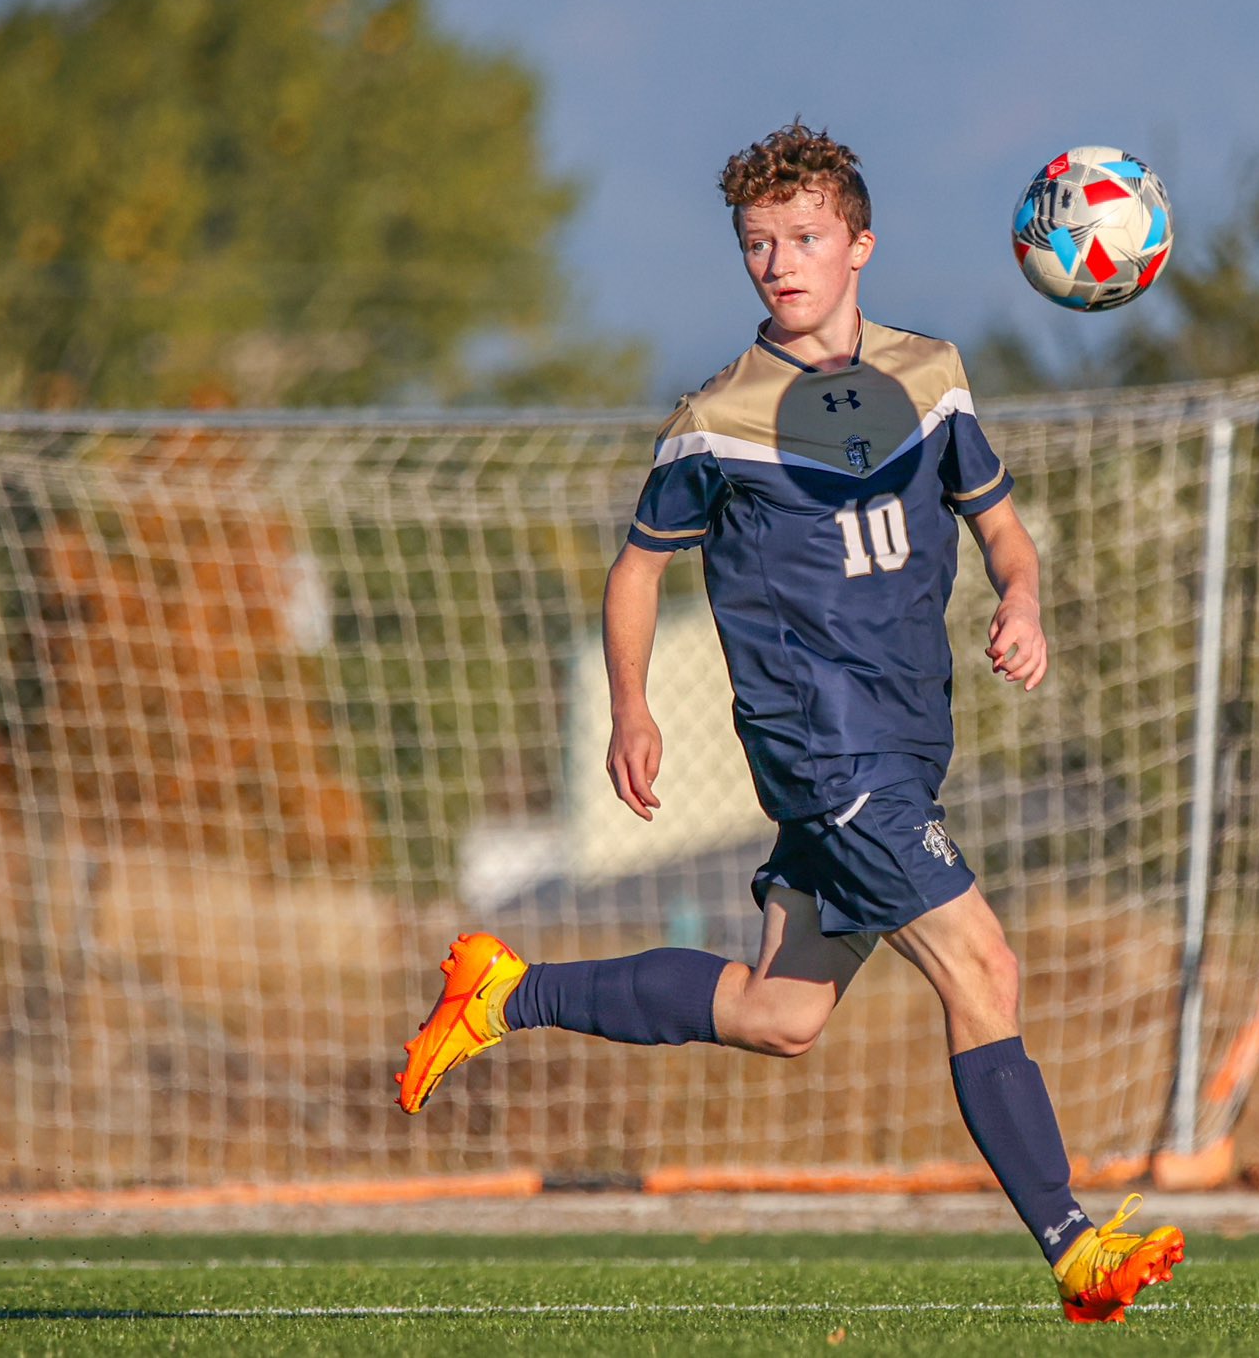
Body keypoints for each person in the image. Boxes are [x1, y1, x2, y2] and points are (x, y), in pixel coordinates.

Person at [395, 121, 1184, 1324]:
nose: (779, 262)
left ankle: (506, 989)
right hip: (824, 751)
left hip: (908, 743)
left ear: (859, 244)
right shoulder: (715, 416)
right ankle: (1074, 1245)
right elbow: (634, 572)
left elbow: (1002, 527)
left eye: (803, 237)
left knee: (782, 1013)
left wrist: (1019, 597)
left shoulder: (934, 374)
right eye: (757, 244)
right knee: (986, 966)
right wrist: (629, 706)